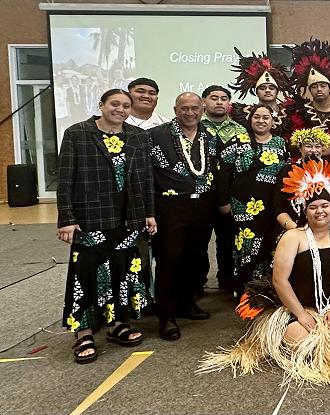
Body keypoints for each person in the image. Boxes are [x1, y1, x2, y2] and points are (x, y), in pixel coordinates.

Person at [200, 159, 330, 384]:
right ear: (304, 208)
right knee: (305, 345)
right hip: (298, 308)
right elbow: (280, 281)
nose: (319, 211)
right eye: (313, 207)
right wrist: (301, 314)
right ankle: (289, 333)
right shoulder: (293, 237)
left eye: (325, 205)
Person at [57, 89, 155, 364]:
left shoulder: (137, 136)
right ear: (101, 105)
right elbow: (65, 179)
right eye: (115, 104)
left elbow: (145, 178)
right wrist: (67, 218)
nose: (120, 110)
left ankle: (118, 324)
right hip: (90, 217)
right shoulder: (77, 133)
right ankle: (84, 332)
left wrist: (149, 214)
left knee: (123, 271)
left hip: (128, 217)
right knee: (85, 274)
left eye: (125, 105)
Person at [147, 92, 223, 340]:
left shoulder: (210, 138)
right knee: (169, 259)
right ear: (175, 109)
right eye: (184, 108)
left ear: (202, 109)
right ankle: (166, 315)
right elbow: (146, 176)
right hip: (170, 207)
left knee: (196, 256)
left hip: (202, 206)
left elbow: (216, 172)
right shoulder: (156, 136)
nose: (189, 113)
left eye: (194, 108)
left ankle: (187, 302)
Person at [216, 104, 290, 294]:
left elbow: (286, 174)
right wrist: (223, 202)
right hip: (242, 205)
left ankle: (268, 289)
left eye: (266, 117)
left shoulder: (281, 144)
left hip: (271, 205)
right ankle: (245, 289)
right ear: (250, 120)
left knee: (269, 244)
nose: (261, 121)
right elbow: (223, 172)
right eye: (257, 117)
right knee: (246, 245)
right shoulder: (237, 141)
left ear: (272, 122)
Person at [202, 85, 249, 294]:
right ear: (204, 101)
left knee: (226, 239)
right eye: (214, 98)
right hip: (199, 194)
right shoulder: (195, 126)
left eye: (224, 98)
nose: (219, 102)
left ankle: (226, 280)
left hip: (229, 196)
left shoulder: (239, 130)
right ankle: (197, 282)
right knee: (198, 240)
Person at [285, 39, 330, 159]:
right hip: (305, 166)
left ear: (329, 89)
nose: (319, 89)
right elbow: (290, 145)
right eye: (314, 87)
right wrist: (307, 135)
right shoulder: (300, 111)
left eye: (323, 86)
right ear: (310, 90)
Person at [274, 128, 330, 230]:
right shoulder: (288, 171)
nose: (313, 150)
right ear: (300, 149)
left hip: (327, 229)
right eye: (308, 146)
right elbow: (277, 205)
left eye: (318, 146)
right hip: (295, 227)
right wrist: (294, 230)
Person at [229, 49, 293, 135]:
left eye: (271, 88)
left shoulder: (289, 114)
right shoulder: (243, 114)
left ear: (277, 92)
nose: (267, 90)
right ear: (256, 92)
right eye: (262, 88)